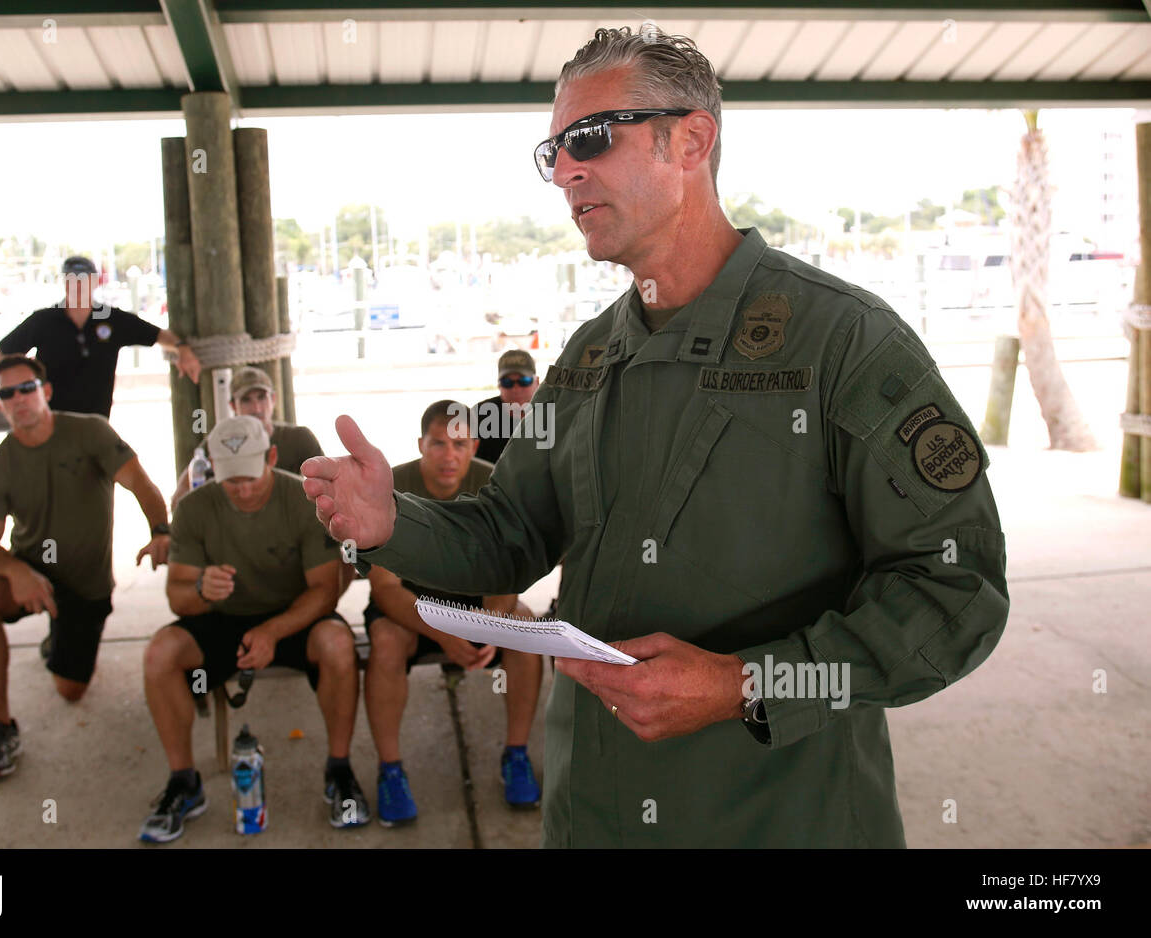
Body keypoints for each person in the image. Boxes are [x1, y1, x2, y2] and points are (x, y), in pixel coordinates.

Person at [301, 27, 1009, 848]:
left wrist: (744, 683)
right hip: (592, 808)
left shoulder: (842, 342)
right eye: (553, 152)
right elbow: (511, 533)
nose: (566, 170)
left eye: (591, 139)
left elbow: (955, 595)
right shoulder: (592, 355)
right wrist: (393, 523)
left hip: (780, 816)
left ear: (692, 141)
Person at [138, 416, 366, 842]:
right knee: (159, 653)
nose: (242, 488)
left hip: (293, 615)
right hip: (222, 621)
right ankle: (184, 782)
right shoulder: (192, 508)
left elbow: (324, 592)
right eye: (230, 479)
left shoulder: (303, 499)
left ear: (272, 457)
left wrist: (273, 632)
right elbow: (178, 598)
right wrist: (203, 589)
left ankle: (340, 771)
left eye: (250, 475)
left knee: (338, 643)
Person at [0, 356, 172, 780]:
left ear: (47, 391)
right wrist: (16, 572)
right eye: (8, 393)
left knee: (71, 691)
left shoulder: (89, 431)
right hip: (32, 569)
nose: (19, 399)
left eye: (27, 388)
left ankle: (57, 640)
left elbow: (142, 485)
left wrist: (161, 531)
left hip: (86, 582)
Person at [362, 400, 542, 826]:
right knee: (385, 643)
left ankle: (516, 755)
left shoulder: (496, 485)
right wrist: (445, 634)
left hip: (475, 601)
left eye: (459, 444)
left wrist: (490, 625)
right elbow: (386, 589)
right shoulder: (391, 486)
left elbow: (510, 570)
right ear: (420, 445)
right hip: (410, 606)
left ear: (473, 445)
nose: (448, 455)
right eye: (438, 443)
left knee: (527, 629)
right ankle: (390, 770)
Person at [0, 256, 201, 418]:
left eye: (83, 280)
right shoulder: (43, 320)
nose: (77, 286)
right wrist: (12, 391)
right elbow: (3, 352)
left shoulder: (113, 319)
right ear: (64, 283)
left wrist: (182, 348)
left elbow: (158, 335)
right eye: (71, 280)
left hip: (98, 423)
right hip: (50, 422)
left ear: (95, 282)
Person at [171, 365, 322, 504]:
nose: (256, 408)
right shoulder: (219, 442)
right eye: (246, 400)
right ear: (232, 405)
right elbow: (180, 496)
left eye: (261, 397)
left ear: (273, 399)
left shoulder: (300, 438)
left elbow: (327, 487)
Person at [472, 349, 542, 466]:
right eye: (507, 382)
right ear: (499, 385)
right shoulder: (480, 415)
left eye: (524, 381)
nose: (516, 389)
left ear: (537, 382)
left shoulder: (555, 413)